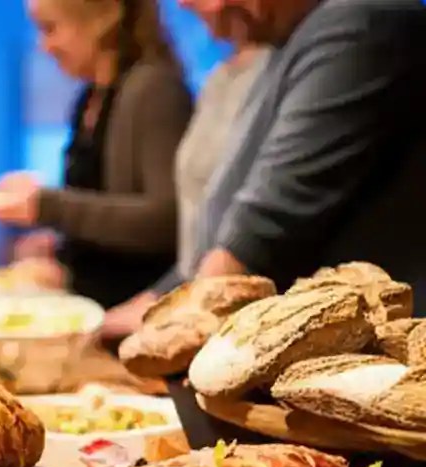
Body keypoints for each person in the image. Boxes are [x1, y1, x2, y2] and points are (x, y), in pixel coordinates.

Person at [170, 0, 426, 312]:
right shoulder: (292, 39)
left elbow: (263, 229)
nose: (183, 3)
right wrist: (160, 298)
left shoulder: (358, 22)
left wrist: (175, 321)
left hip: (357, 339)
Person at [0, 0, 192, 309]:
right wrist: (59, 252)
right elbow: (102, 220)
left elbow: (164, 221)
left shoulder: (154, 90)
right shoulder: (89, 98)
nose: (44, 46)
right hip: (92, 308)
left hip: (136, 318)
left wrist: (47, 206)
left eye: (51, 29)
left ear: (101, 20)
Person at [102, 35, 268, 338]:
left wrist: (180, 307)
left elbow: (269, 212)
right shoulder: (219, 79)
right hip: (195, 304)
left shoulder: (155, 88)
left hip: (244, 323)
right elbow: (201, 231)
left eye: (50, 29)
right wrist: (164, 297)